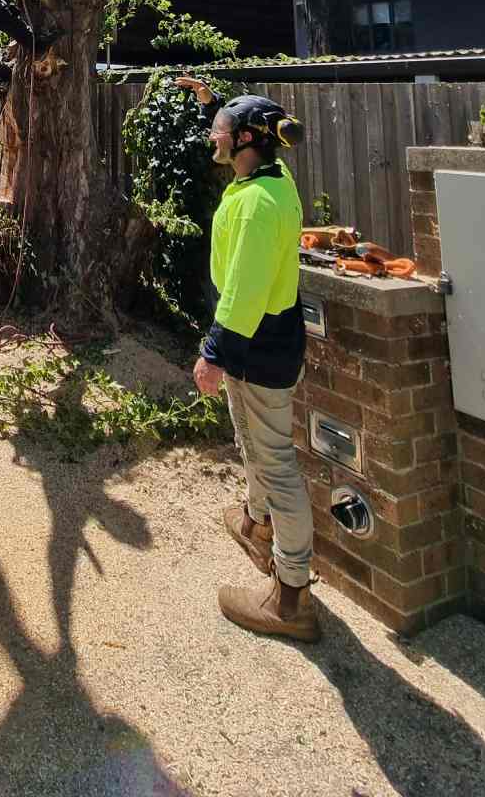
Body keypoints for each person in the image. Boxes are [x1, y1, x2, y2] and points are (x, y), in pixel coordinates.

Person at [176, 75, 319, 643]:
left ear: (245, 141)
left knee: (275, 463)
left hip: (257, 345)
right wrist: (213, 105)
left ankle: (291, 597)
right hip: (266, 341)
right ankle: (256, 527)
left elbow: (245, 290)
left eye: (221, 130)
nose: (212, 136)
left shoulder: (259, 203)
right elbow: (236, 138)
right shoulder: (268, 177)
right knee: (255, 445)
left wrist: (214, 353)